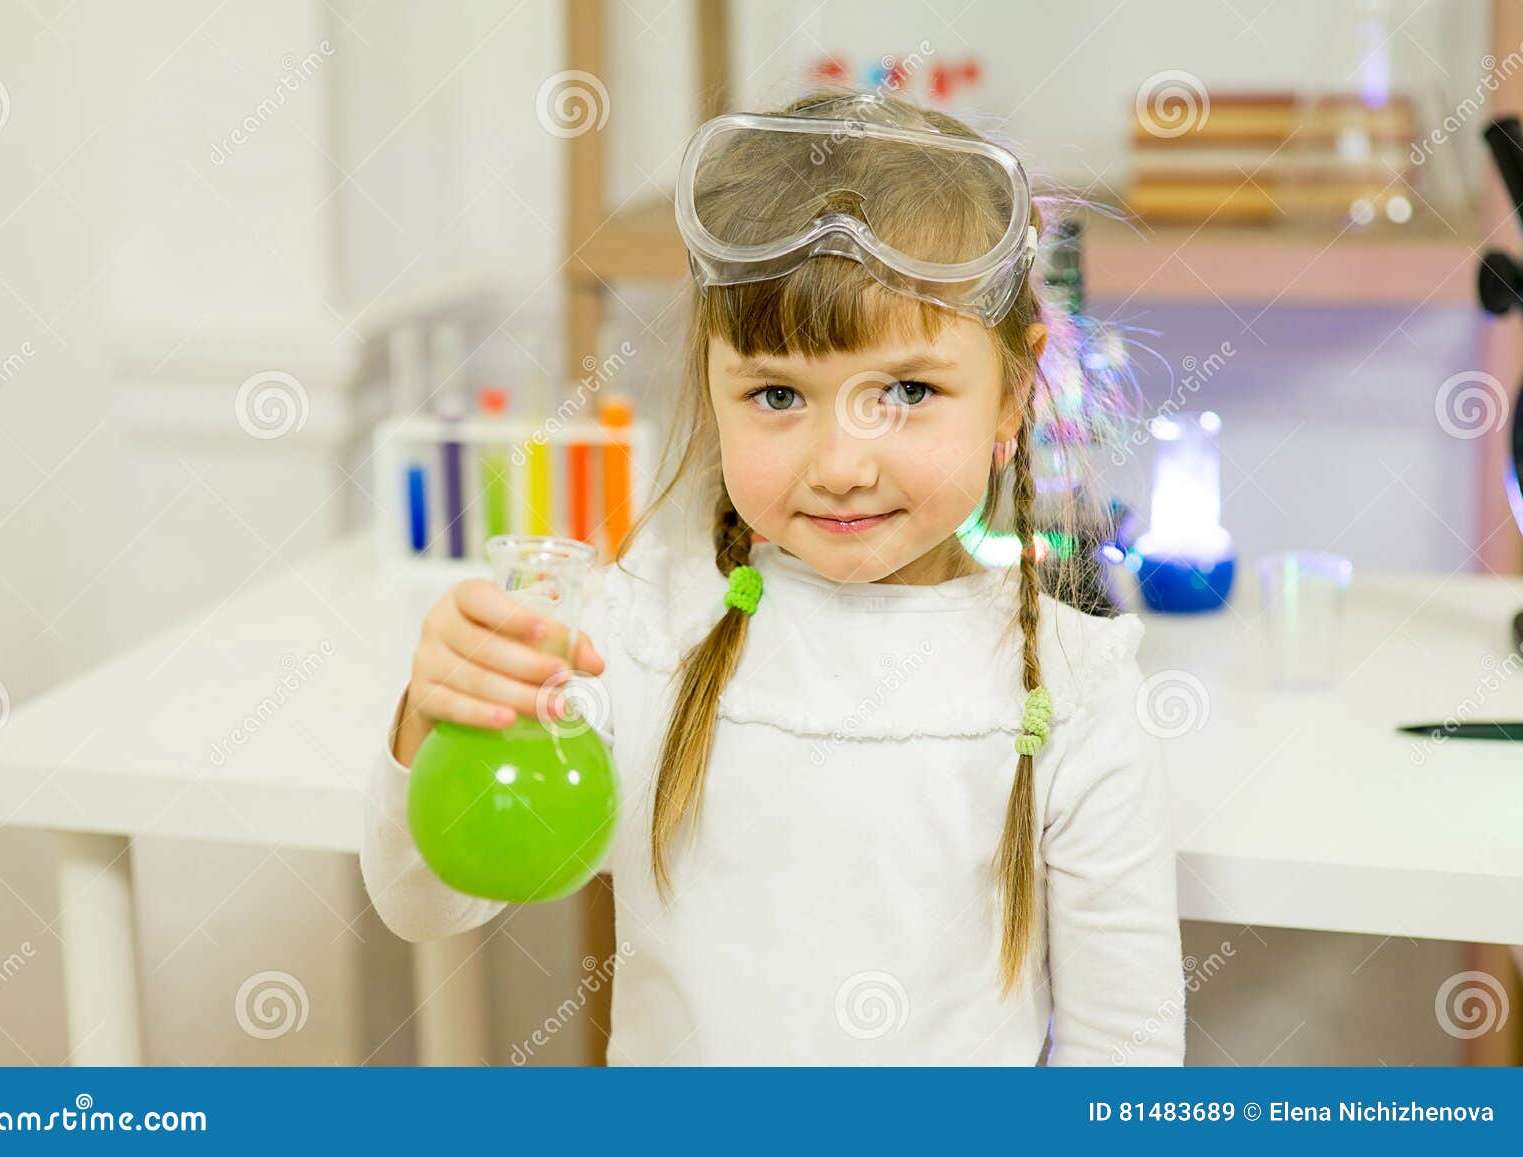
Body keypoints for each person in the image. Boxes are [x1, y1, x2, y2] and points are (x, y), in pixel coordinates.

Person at [362, 89, 1185, 1065]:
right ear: (713, 383)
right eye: (778, 394)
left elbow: (1125, 1060)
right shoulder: (639, 630)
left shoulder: (1077, 689)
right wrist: (434, 719)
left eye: (907, 390)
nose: (839, 463)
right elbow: (428, 898)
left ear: (1011, 389)